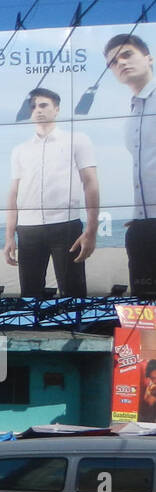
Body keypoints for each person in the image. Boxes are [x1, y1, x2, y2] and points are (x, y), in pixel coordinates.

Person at [3, 88, 99, 296]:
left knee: (73, 291)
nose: (37, 110)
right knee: (29, 293)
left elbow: (90, 183)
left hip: (65, 225)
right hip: (28, 229)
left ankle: (77, 328)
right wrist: (9, 235)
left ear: (56, 109)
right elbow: (14, 194)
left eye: (43, 105)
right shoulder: (20, 150)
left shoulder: (77, 140)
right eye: (33, 106)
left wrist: (92, 229)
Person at [106, 33, 156, 296]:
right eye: (113, 62)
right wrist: (140, 217)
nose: (120, 63)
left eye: (127, 54)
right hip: (142, 228)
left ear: (149, 58)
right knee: (143, 314)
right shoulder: (131, 114)